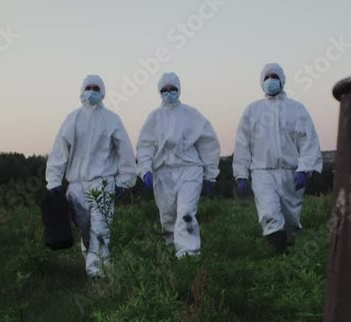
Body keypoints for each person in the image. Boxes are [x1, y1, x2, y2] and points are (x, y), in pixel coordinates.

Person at [46, 74, 137, 278]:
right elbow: (60, 150)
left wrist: (125, 179)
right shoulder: (72, 119)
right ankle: (91, 258)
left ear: (102, 92)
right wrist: (53, 179)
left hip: (102, 181)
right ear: (82, 90)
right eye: (88, 87)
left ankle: (98, 275)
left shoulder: (111, 119)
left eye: (96, 88)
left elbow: (125, 150)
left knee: (100, 228)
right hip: (76, 185)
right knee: (85, 229)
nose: (92, 92)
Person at [233, 63, 323, 254]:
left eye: (274, 76)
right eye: (266, 77)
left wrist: (305, 168)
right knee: (270, 214)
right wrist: (241, 174)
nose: (270, 81)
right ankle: (278, 257)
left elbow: (308, 140)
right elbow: (242, 145)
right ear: (261, 81)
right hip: (262, 172)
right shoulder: (252, 111)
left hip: (290, 172)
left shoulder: (296, 109)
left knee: (291, 220)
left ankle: (290, 252)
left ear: (282, 79)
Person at [136, 72, 221, 257]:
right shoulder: (154, 117)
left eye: (172, 89)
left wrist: (210, 174)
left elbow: (208, 143)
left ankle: (189, 256)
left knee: (186, 213)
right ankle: (172, 251)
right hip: (163, 172)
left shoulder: (191, 114)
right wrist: (145, 170)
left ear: (179, 89)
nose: (169, 93)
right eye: (164, 90)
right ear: (159, 91)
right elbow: (145, 146)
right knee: (168, 217)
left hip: (189, 169)